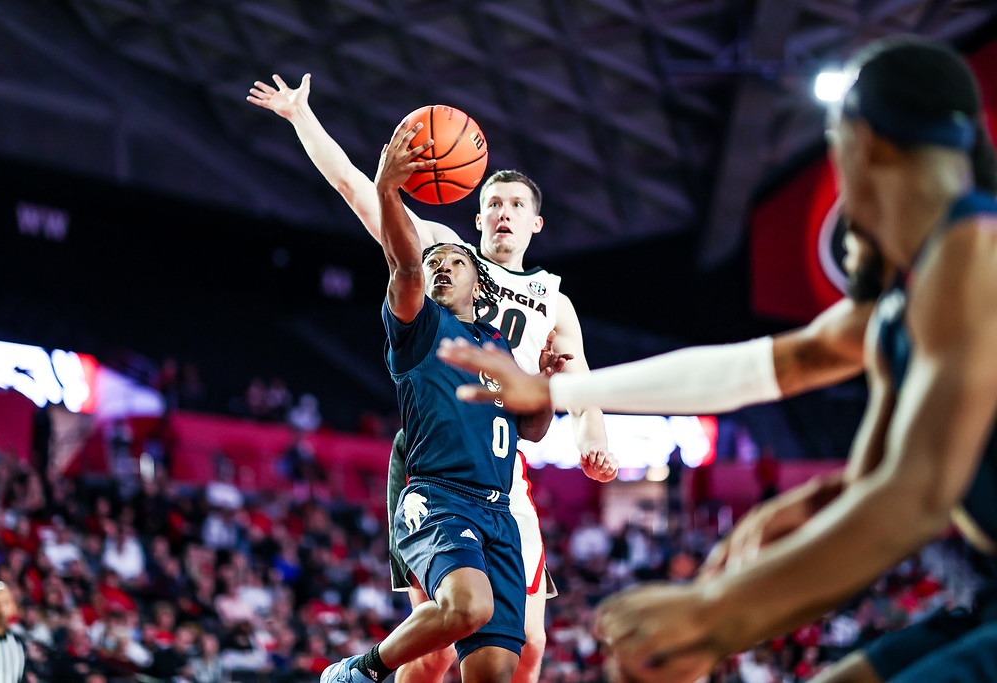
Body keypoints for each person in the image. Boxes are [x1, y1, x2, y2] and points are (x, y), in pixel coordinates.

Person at [445, 36, 997, 682]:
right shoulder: (906, 301)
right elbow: (768, 380)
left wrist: (711, 614)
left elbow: (912, 498)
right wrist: (553, 393)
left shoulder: (974, 257)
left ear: (862, 143)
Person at [248, 75, 617, 682]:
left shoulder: (554, 302)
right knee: (438, 647)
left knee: (526, 645)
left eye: (516, 206)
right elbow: (358, 190)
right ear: (474, 215)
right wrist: (301, 119)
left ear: (536, 225)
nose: (503, 213)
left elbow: (575, 381)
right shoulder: (444, 256)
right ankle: (363, 673)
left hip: (503, 468)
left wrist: (592, 440)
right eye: (493, 204)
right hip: (436, 454)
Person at [321, 116, 558, 683]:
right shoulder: (419, 326)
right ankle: (361, 670)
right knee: (464, 611)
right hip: (438, 497)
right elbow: (403, 261)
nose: (442, 267)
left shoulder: (498, 349)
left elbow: (533, 430)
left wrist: (543, 389)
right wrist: (387, 189)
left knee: (500, 669)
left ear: (479, 285)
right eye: (435, 264)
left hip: (499, 510)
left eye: (454, 262)